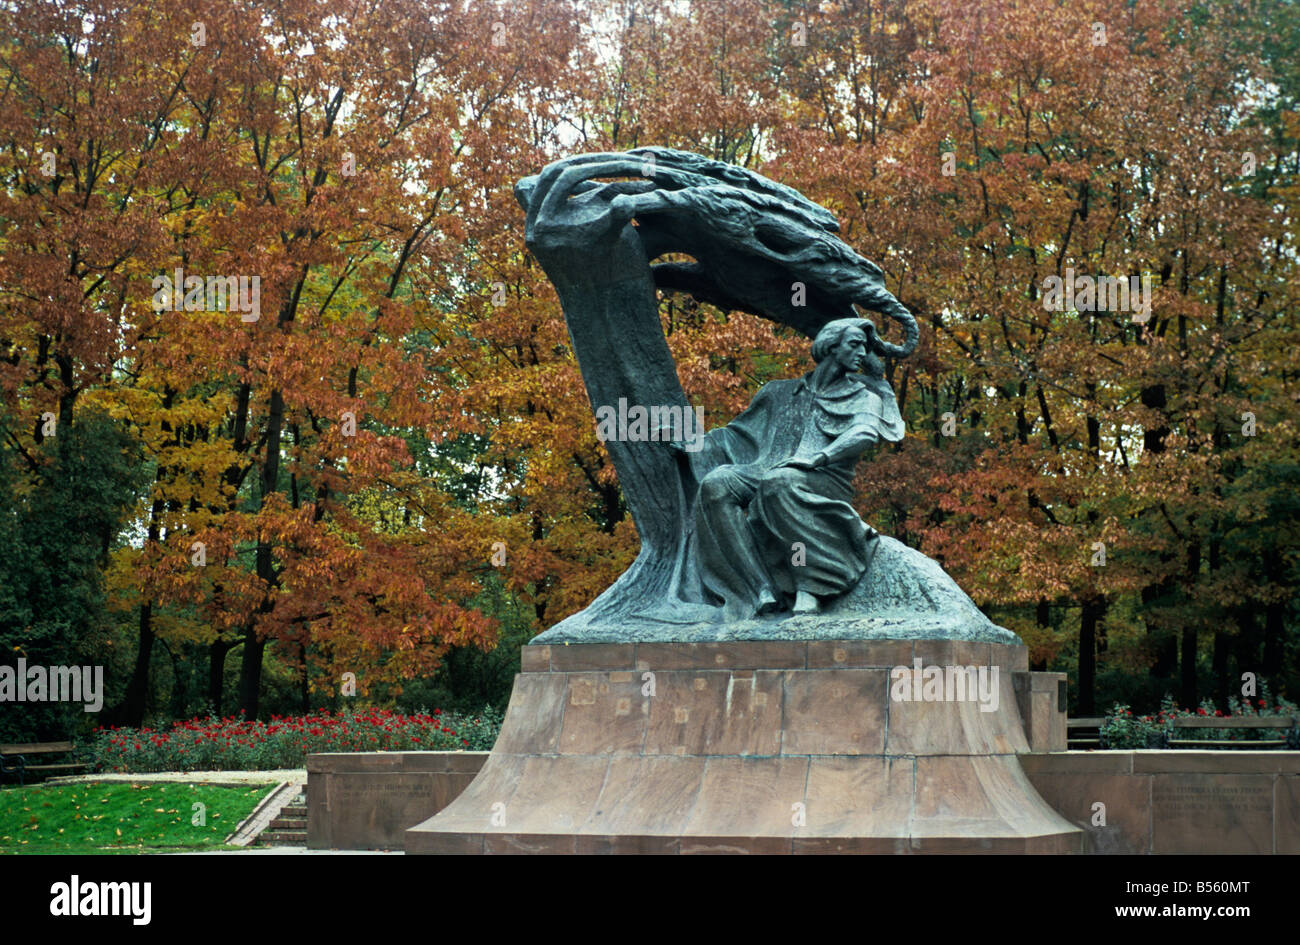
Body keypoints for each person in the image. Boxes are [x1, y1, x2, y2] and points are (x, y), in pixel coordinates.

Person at [666, 318, 906, 619]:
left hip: (824, 477)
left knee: (779, 483)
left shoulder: (864, 397)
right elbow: (735, 434)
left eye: (865, 347)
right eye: (854, 344)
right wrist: (691, 443)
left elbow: (865, 433)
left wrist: (819, 458)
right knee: (717, 484)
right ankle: (759, 589)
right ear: (831, 345)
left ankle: (811, 588)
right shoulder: (777, 393)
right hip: (766, 468)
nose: (862, 353)